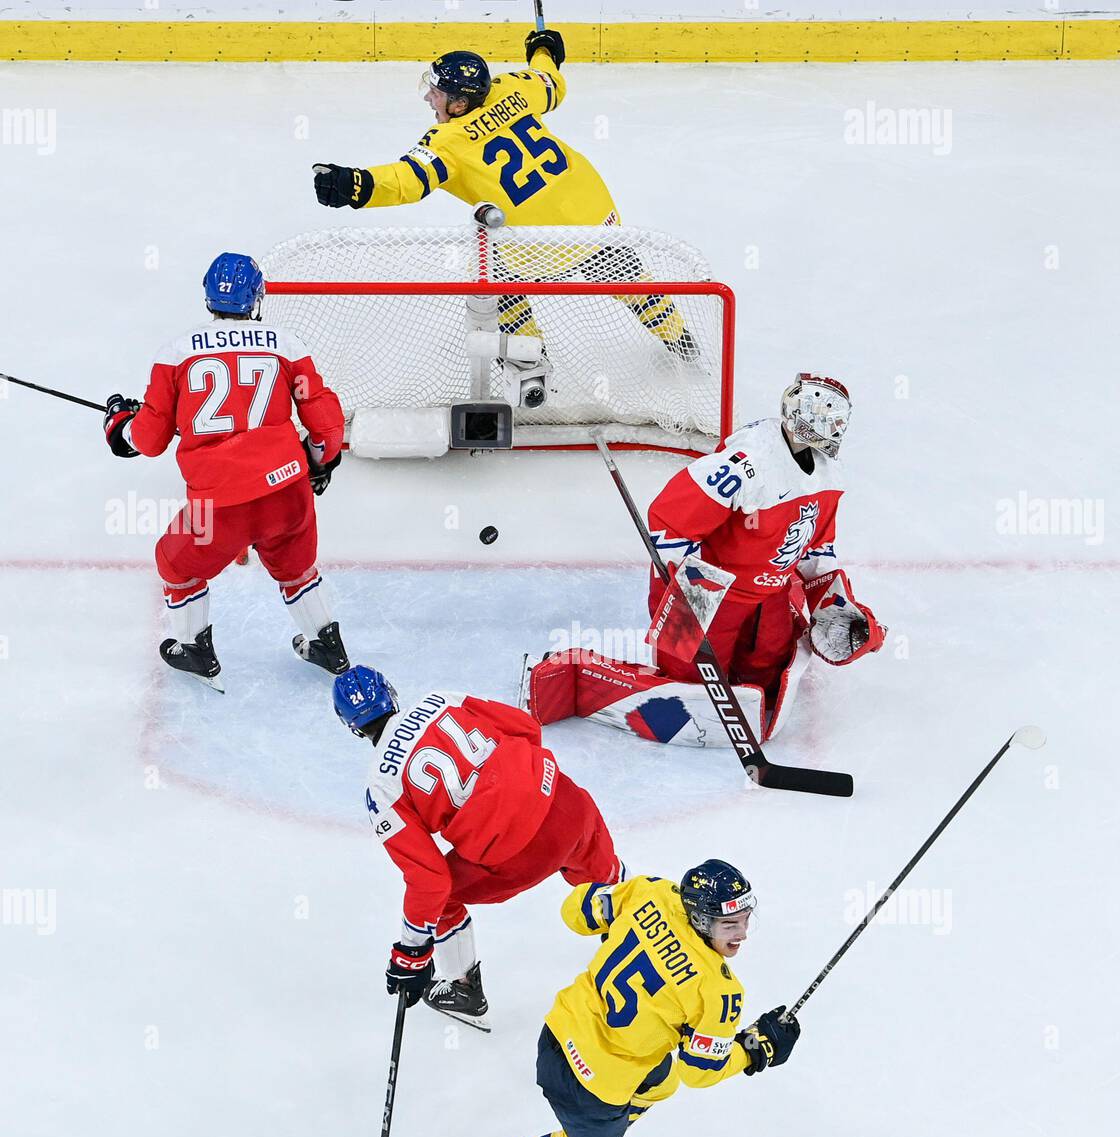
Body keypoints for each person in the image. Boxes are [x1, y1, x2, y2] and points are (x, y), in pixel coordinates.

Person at [525, 374, 886, 747]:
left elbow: (815, 549)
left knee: (766, 678)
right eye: (828, 418)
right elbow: (670, 523)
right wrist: (688, 596)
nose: (835, 429)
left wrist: (835, 603)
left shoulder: (828, 476)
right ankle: (599, 677)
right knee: (689, 683)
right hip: (710, 590)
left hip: (770, 594)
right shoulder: (749, 463)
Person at [311, 33, 696, 359]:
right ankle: (680, 340)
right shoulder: (514, 87)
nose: (429, 98)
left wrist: (355, 185)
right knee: (627, 277)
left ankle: (528, 363)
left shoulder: (448, 142)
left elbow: (407, 180)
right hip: (594, 211)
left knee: (493, 285)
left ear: (459, 103)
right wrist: (543, 48)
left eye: (437, 92)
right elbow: (550, 80)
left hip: (540, 243)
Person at [449, 860, 801, 1137]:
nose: (742, 934)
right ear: (700, 918)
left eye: (745, 920)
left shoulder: (653, 891)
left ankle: (609, 1132)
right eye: (730, 925)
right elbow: (699, 1072)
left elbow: (575, 913)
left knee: (662, 1080)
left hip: (557, 1035)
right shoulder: (719, 992)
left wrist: (617, 915)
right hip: (592, 1089)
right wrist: (758, 1048)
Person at [103, 252, 349, 691]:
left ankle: (195, 649)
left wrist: (120, 426)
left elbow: (151, 437)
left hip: (219, 503)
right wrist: (318, 460)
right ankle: (327, 644)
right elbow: (325, 423)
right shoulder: (286, 343)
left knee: (176, 565)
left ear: (207, 297)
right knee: (295, 567)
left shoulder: (176, 352)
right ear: (256, 296)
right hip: (288, 490)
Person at [332, 665, 623, 1032]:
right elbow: (527, 728)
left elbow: (429, 881)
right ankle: (630, 914)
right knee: (612, 884)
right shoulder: (439, 701)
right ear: (390, 692)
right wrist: (520, 787)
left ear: (352, 726)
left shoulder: (380, 787)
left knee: (444, 899)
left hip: (517, 856)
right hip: (568, 806)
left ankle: (464, 989)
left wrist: (412, 954)